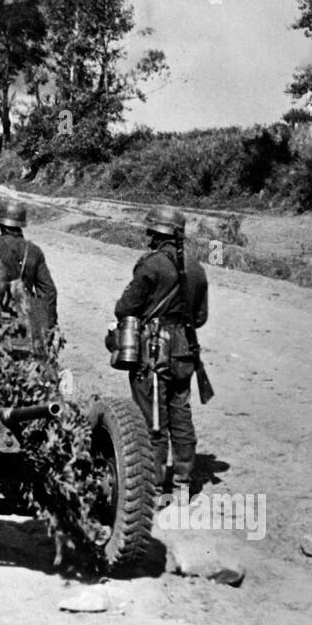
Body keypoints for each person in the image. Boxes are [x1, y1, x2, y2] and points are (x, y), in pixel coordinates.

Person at [113, 204, 209, 502]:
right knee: (181, 413)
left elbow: (124, 308)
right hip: (185, 349)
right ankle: (182, 481)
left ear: (157, 233)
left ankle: (153, 486)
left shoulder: (151, 265)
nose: (148, 238)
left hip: (154, 349)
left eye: (150, 232)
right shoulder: (196, 267)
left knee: (152, 418)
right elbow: (201, 316)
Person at [0, 201, 58, 330]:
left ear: (0, 224)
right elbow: (48, 292)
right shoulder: (34, 251)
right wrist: (47, 325)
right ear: (21, 225)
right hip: (22, 315)